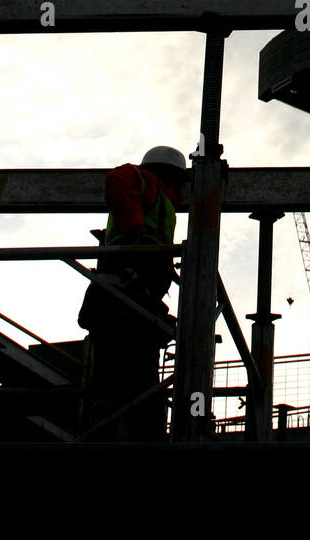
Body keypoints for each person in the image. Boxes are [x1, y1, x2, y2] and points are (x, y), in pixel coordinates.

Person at [78, 145, 187, 441]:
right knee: (118, 385)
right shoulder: (144, 181)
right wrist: (136, 233)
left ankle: (136, 436)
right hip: (123, 295)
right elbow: (116, 180)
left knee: (137, 385)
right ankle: (116, 437)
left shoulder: (164, 201)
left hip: (139, 300)